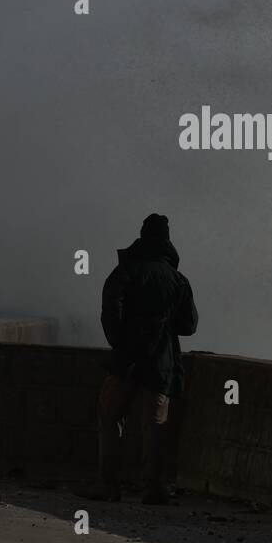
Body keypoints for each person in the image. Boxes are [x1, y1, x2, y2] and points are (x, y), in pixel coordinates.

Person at [84, 213, 197, 503]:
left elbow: (110, 311)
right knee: (155, 427)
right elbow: (189, 326)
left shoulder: (126, 271)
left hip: (127, 362)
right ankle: (154, 488)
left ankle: (108, 486)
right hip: (161, 362)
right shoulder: (178, 280)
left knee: (110, 418)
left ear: (143, 236)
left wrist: (121, 344)